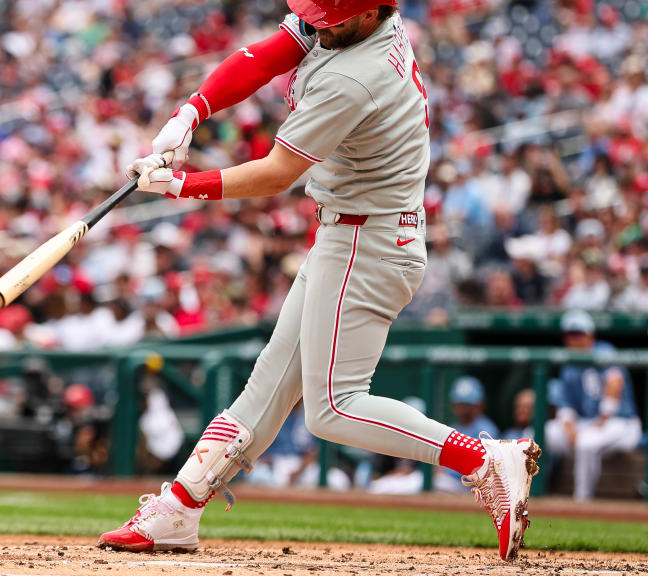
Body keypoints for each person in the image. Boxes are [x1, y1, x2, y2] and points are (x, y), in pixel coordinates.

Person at [98, 0, 540, 562]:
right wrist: (192, 110)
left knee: (333, 407)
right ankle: (180, 509)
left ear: (374, 12)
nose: (318, 23)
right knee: (267, 386)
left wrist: (183, 185)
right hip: (352, 233)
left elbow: (278, 173)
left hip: (369, 241)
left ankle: (481, 459)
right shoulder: (351, 20)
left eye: (331, 16)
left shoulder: (357, 75)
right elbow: (261, 57)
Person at [545, 310, 643, 500]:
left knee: (586, 442)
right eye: (569, 335)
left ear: (590, 334)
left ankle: (582, 501)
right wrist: (569, 426)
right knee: (540, 433)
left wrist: (603, 417)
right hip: (588, 422)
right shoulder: (569, 363)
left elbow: (615, 383)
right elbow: (566, 404)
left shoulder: (604, 351)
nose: (573, 340)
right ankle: (533, 495)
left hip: (621, 423)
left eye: (578, 334)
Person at [434, 377, 500, 492]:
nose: (462, 408)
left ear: (478, 404)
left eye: (466, 404)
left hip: (471, 487)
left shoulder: (486, 429)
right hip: (451, 482)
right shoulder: (453, 427)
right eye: (459, 403)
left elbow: (487, 469)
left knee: (437, 483)